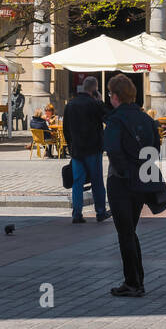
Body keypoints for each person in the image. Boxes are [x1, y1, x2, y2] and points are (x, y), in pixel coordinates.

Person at [104, 73, 166, 298]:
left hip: (121, 183)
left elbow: (111, 148)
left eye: (111, 94)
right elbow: (155, 150)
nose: (110, 97)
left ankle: (133, 283)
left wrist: (123, 170)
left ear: (116, 97)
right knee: (130, 230)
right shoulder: (147, 120)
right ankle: (136, 280)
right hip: (141, 181)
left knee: (125, 233)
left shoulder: (114, 119)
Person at [63, 76, 109, 224]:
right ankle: (100, 212)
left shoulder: (70, 104)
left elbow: (65, 129)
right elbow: (108, 118)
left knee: (78, 182)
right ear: (95, 89)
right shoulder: (94, 104)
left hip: (76, 149)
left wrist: (71, 146)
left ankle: (77, 214)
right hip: (93, 148)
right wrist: (100, 101)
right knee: (96, 181)